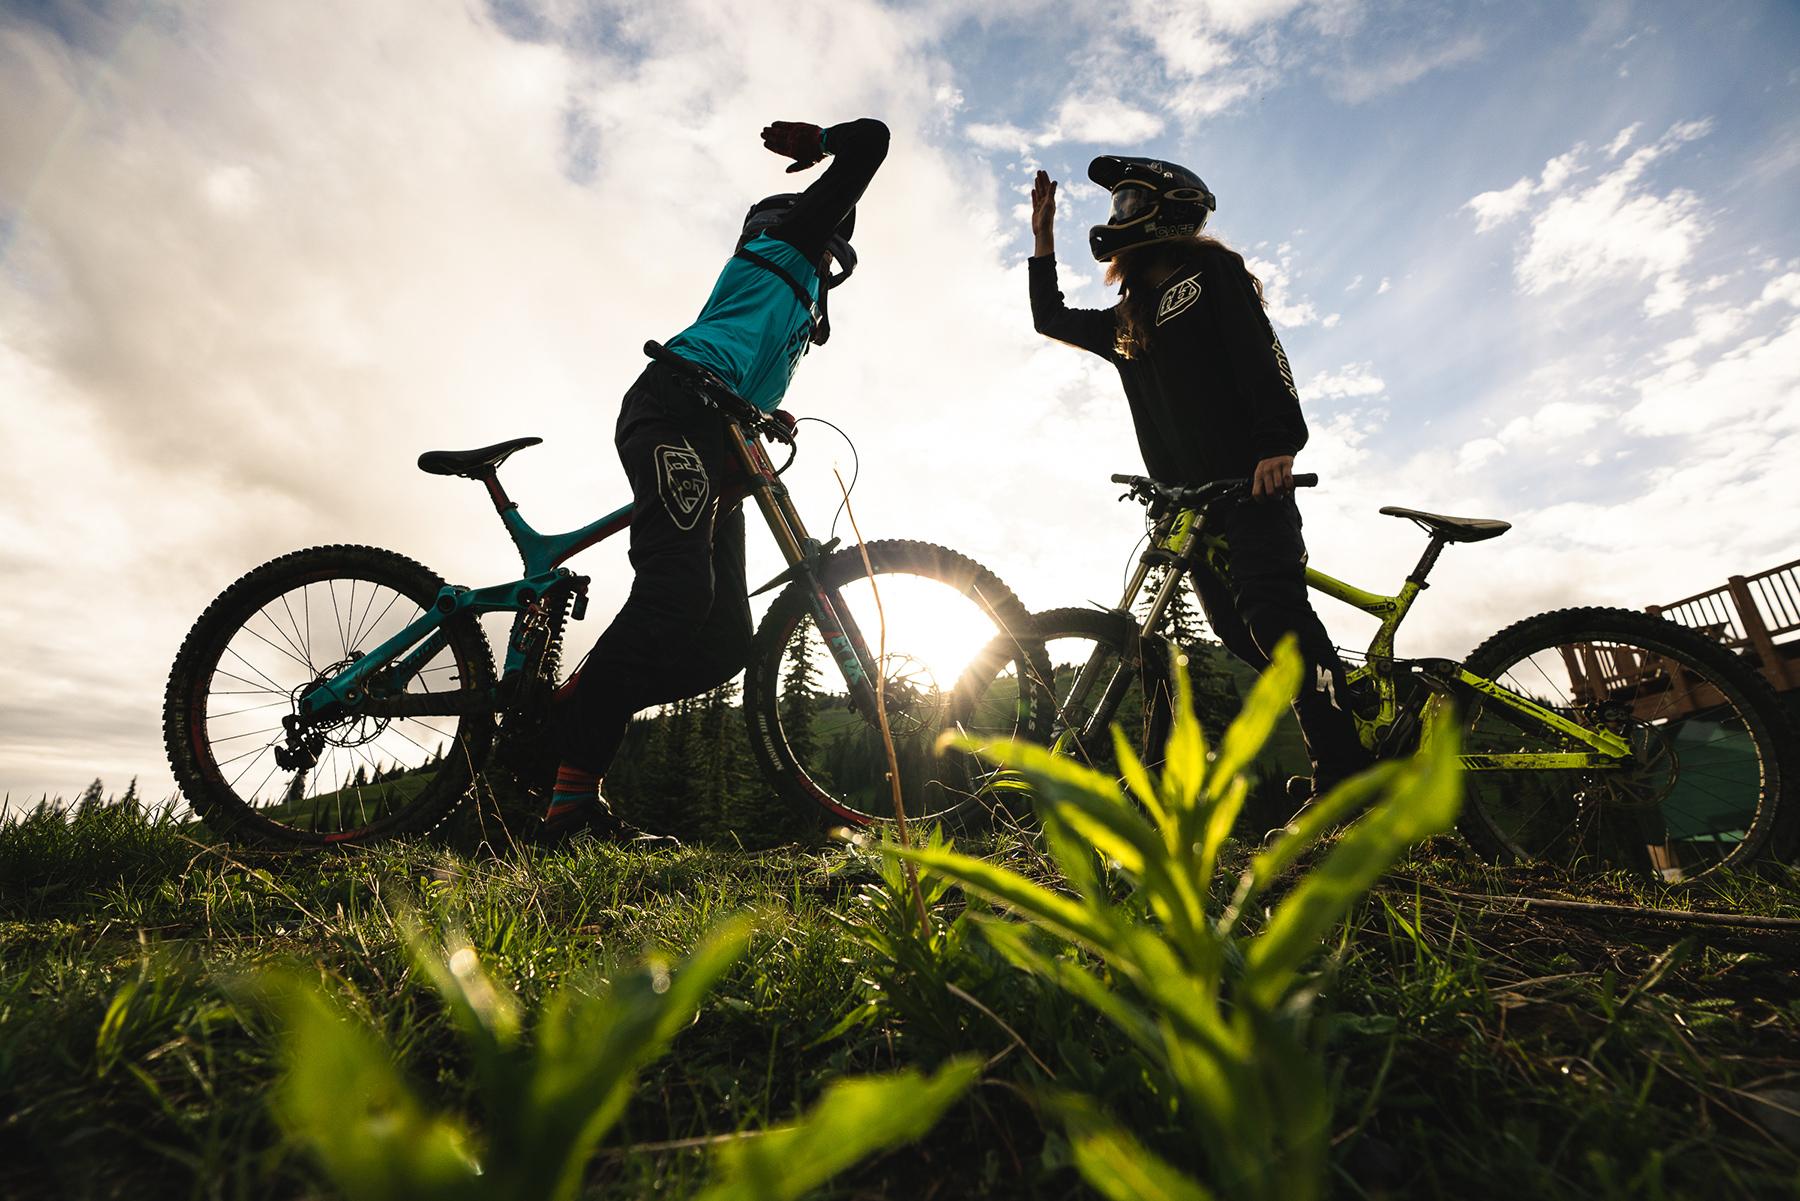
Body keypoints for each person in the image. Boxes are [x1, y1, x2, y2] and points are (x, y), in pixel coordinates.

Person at [542, 116, 890, 842]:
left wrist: (768, 411)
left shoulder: (797, 297)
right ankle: (570, 804)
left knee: (725, 640)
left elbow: (742, 345)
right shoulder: (788, 240)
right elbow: (873, 141)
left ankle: (578, 710)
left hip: (720, 436)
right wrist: (821, 142)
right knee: (676, 592)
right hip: (673, 409)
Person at [1027, 156, 1370, 806]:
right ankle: (1342, 711)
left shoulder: (1209, 273)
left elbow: (1259, 347)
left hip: (1252, 486)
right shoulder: (1125, 320)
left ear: (1172, 209)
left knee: (1274, 613)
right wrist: (1042, 239)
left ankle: (1343, 773)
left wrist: (1277, 444)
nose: (1117, 215)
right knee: (1238, 628)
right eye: (1116, 204)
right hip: (1192, 509)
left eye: (1129, 201)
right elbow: (1050, 316)